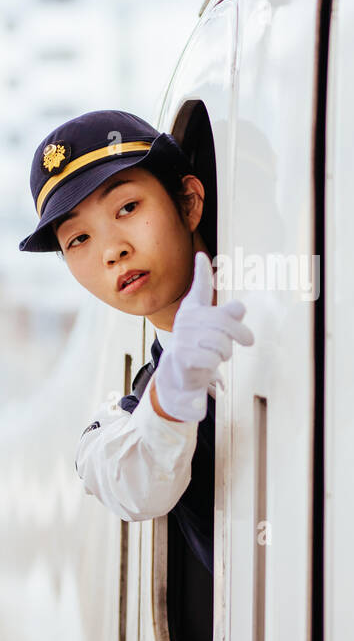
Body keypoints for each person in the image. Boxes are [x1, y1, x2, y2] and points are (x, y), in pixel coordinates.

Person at [18, 109, 253, 575]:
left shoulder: (306, 306)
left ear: (188, 202)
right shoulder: (129, 416)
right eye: (79, 239)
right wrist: (172, 398)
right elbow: (136, 482)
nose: (112, 251)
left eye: (127, 208)